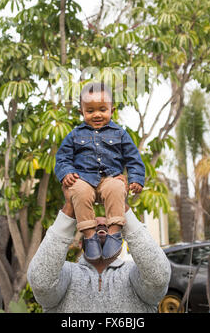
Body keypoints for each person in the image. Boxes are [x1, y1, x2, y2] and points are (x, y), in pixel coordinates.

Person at [27, 183, 171, 313]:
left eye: (109, 225)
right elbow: (41, 283)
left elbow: (159, 277)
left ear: (121, 242)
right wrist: (71, 205)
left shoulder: (134, 274)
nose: (101, 225)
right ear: (80, 244)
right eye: (93, 228)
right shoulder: (66, 274)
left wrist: (119, 203)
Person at [54, 82, 146, 262]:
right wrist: (67, 173)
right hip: (84, 178)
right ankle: (89, 235)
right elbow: (62, 158)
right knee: (78, 191)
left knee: (117, 188)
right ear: (81, 111)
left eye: (102, 109)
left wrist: (136, 178)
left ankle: (114, 233)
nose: (96, 114)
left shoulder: (120, 134)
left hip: (111, 177)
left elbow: (133, 157)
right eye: (90, 111)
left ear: (112, 110)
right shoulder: (74, 135)